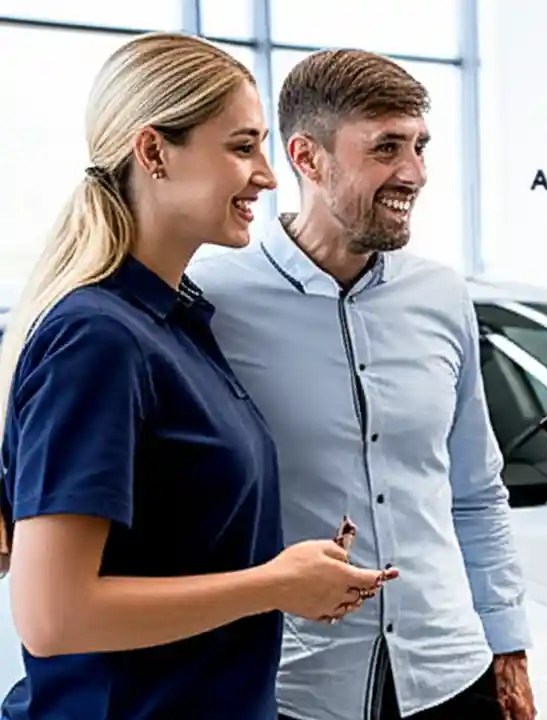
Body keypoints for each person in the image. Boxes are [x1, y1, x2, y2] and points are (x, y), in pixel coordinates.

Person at [0, 33, 394, 720]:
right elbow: (53, 615)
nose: (268, 177)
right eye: (242, 148)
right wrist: (271, 585)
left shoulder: (177, 323)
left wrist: (287, 572)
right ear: (153, 152)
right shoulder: (100, 337)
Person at [187, 48, 535, 720]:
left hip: (451, 676)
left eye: (420, 146)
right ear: (307, 158)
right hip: (295, 688)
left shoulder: (441, 295)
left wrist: (507, 644)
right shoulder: (212, 297)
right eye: (386, 148)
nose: (415, 173)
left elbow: (476, 489)